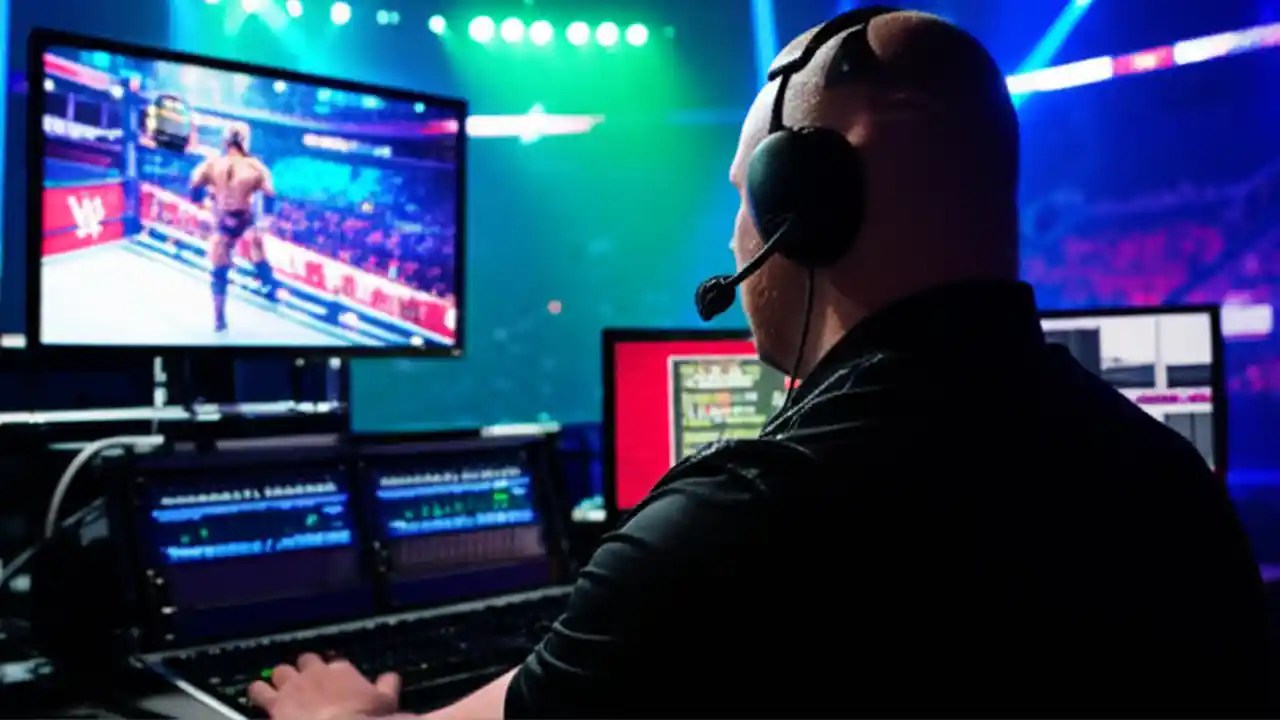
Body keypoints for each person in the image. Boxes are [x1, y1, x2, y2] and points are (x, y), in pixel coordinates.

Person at [247, 8, 1268, 719]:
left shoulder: (736, 532)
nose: (736, 239)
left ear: (803, 207)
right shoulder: (1168, 483)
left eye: (745, 197)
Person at [189, 124, 278, 333]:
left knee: (221, 269)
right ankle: (269, 286)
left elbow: (193, 185)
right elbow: (270, 194)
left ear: (225, 141)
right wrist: (266, 220)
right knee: (253, 245)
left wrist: (202, 206)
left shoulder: (213, 164)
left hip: (226, 219)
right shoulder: (254, 167)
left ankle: (220, 319)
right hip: (240, 220)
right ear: (245, 141)